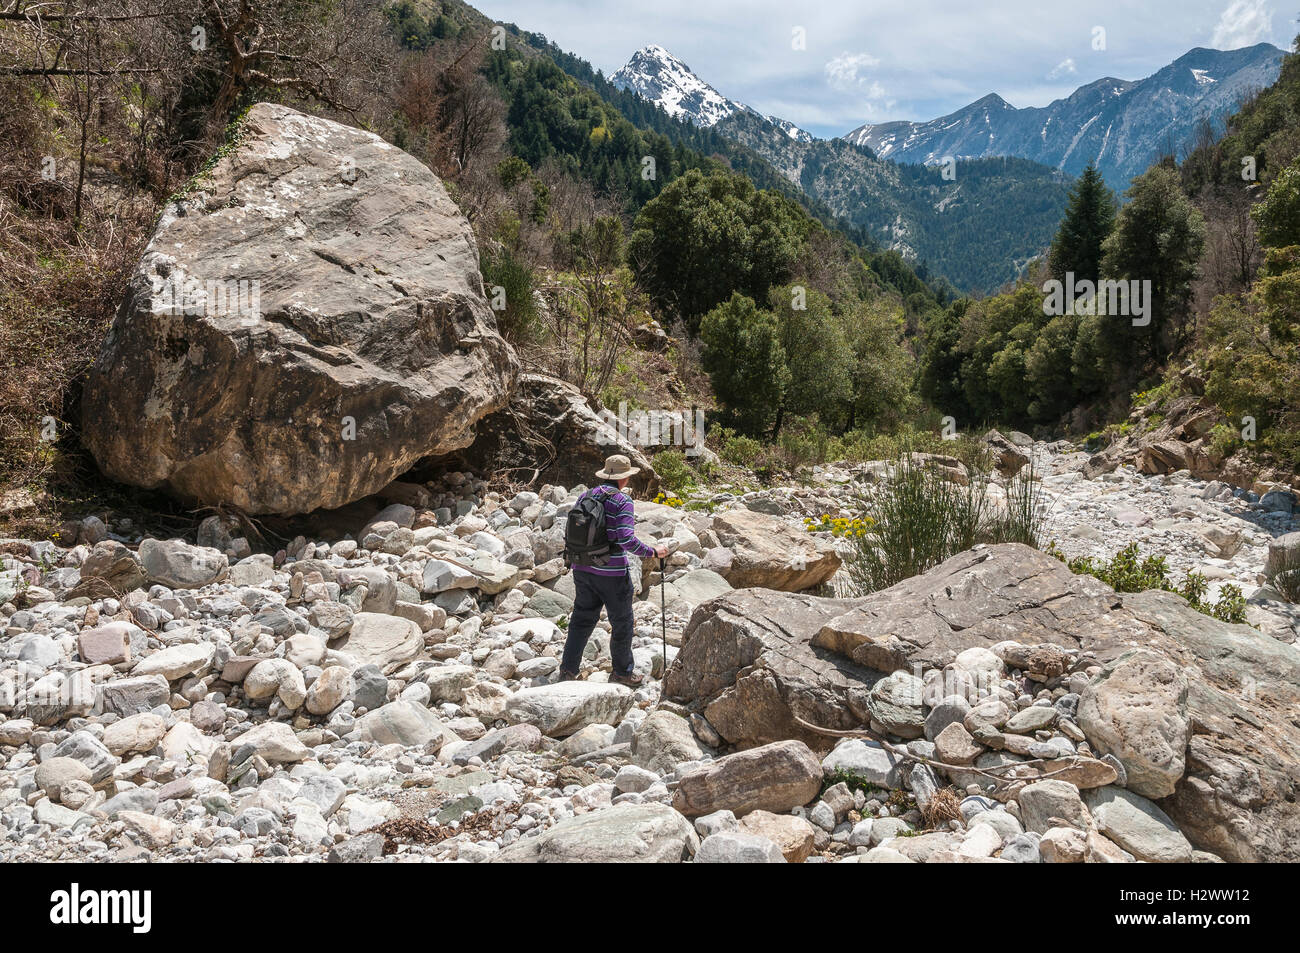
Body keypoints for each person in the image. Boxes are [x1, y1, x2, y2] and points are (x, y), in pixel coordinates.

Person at [558, 454, 668, 686]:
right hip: (612, 574)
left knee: (581, 620)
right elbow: (626, 540)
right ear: (625, 478)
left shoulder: (585, 495)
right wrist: (653, 552)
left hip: (582, 567)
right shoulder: (622, 501)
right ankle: (622, 672)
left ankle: (568, 670)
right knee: (622, 622)